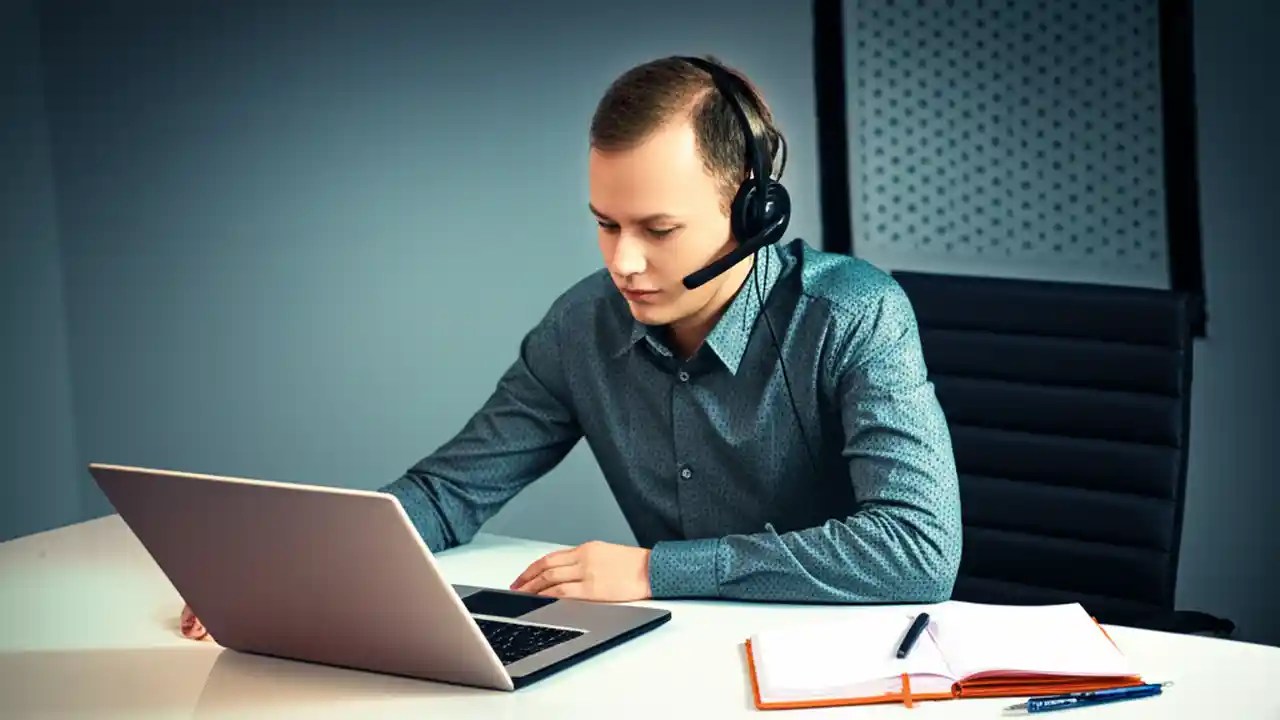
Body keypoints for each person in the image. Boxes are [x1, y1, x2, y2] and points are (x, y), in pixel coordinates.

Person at [179, 54, 961, 640]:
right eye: (606, 223)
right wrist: (289, 577)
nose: (623, 261)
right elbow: (450, 493)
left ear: (752, 212)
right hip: (685, 655)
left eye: (659, 230)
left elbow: (918, 549)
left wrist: (657, 570)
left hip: (847, 667)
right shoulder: (581, 326)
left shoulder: (854, 314)